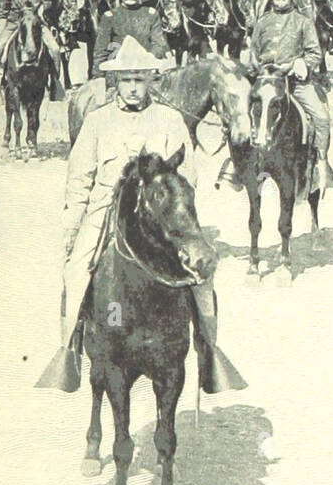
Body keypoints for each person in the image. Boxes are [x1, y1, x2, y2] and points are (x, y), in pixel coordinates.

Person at [37, 36, 243, 396]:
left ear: (150, 80)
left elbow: (187, 177)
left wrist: (170, 214)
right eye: (126, 80)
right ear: (117, 81)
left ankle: (209, 352)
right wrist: (71, 228)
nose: (133, 88)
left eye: (140, 80)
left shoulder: (170, 119)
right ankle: (70, 349)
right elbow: (79, 179)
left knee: (201, 276)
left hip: (158, 219)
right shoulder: (98, 121)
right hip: (105, 212)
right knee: (75, 272)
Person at [246, 0, 333, 192]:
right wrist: (255, 66)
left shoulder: (303, 22)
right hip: (266, 81)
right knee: (238, 114)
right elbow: (253, 53)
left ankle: (321, 164)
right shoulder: (263, 22)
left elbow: (315, 53)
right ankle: (235, 168)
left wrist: (303, 63)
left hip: (294, 82)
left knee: (321, 118)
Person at [92, 0, 169, 76]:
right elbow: (101, 51)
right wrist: (99, 76)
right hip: (118, 73)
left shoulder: (151, 14)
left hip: (144, 71)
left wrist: (149, 59)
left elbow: (159, 44)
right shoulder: (110, 17)